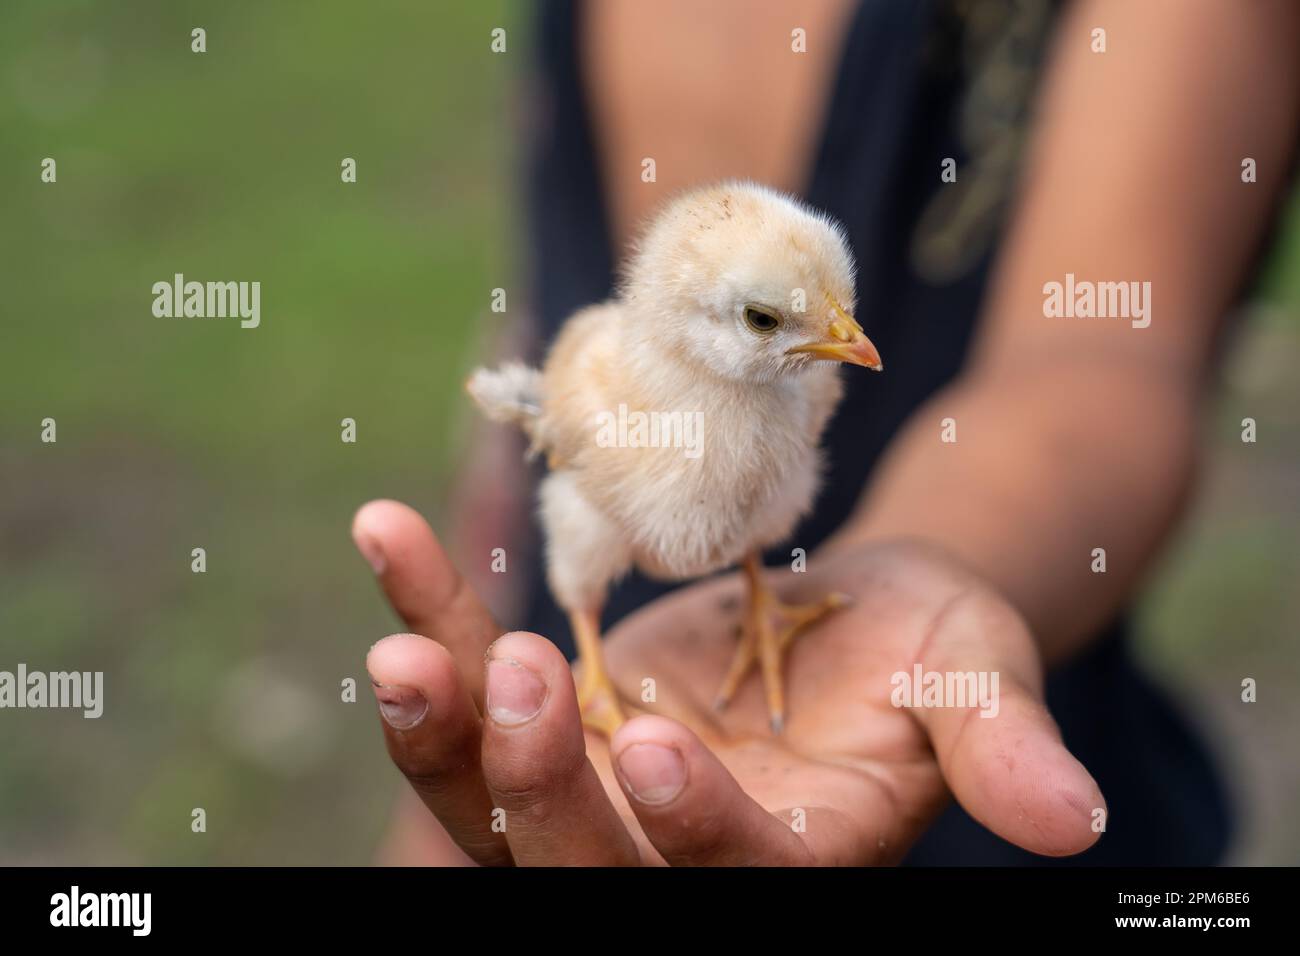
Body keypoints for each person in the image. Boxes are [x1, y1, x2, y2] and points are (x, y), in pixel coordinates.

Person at [352, 0, 1300, 865]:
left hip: (951, 719)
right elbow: (533, 359)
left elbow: (1098, 352)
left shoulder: (797, 375)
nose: (842, 342)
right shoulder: (606, 386)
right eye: (779, 323)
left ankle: (765, 603)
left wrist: (905, 572)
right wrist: (453, 796)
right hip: (579, 708)